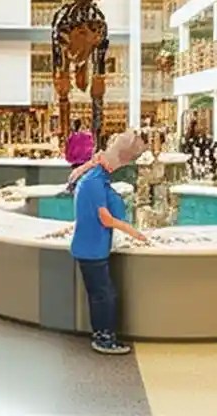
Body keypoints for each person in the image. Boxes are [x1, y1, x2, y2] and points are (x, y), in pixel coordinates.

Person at [70, 130, 149, 355]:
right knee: (104, 296)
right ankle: (104, 338)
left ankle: (102, 335)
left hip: (93, 249)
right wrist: (134, 233)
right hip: (91, 251)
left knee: (102, 294)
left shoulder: (96, 178)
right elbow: (104, 217)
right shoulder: (94, 181)